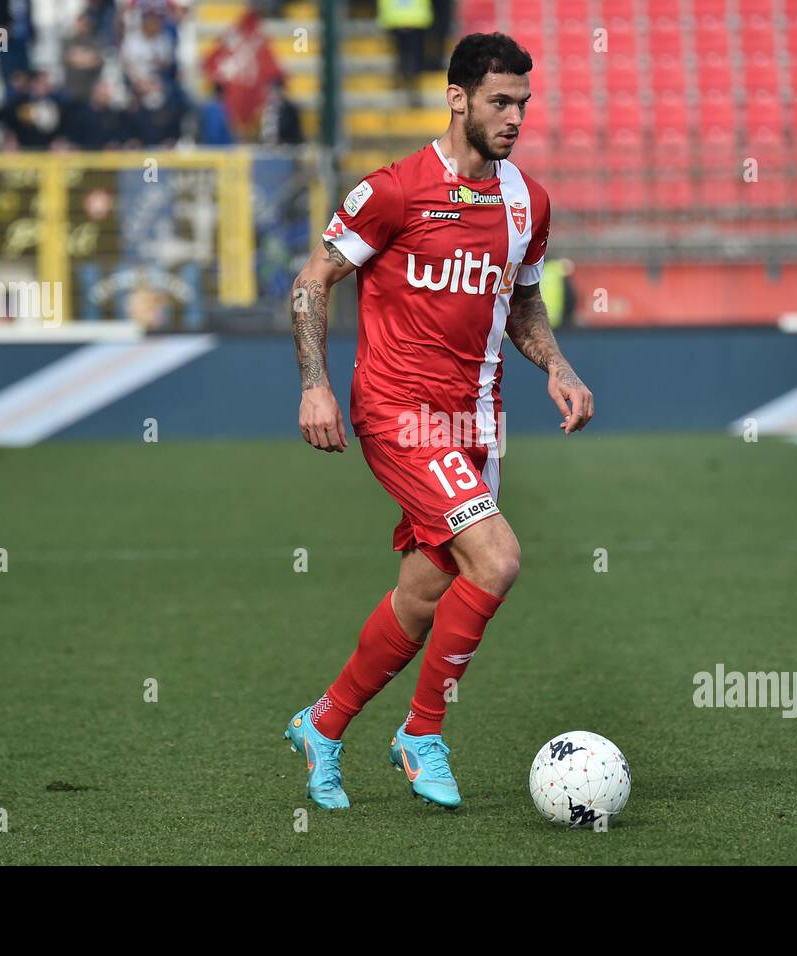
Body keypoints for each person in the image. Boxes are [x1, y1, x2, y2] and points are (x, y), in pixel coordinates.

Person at [285, 33, 594, 811]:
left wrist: (556, 365)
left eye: (523, 102)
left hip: (475, 421)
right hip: (396, 411)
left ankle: (323, 724)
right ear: (457, 99)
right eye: (500, 101)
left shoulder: (528, 200)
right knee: (497, 559)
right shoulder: (391, 191)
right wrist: (315, 385)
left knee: (425, 593)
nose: (515, 117)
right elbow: (314, 278)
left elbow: (521, 299)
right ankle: (422, 734)